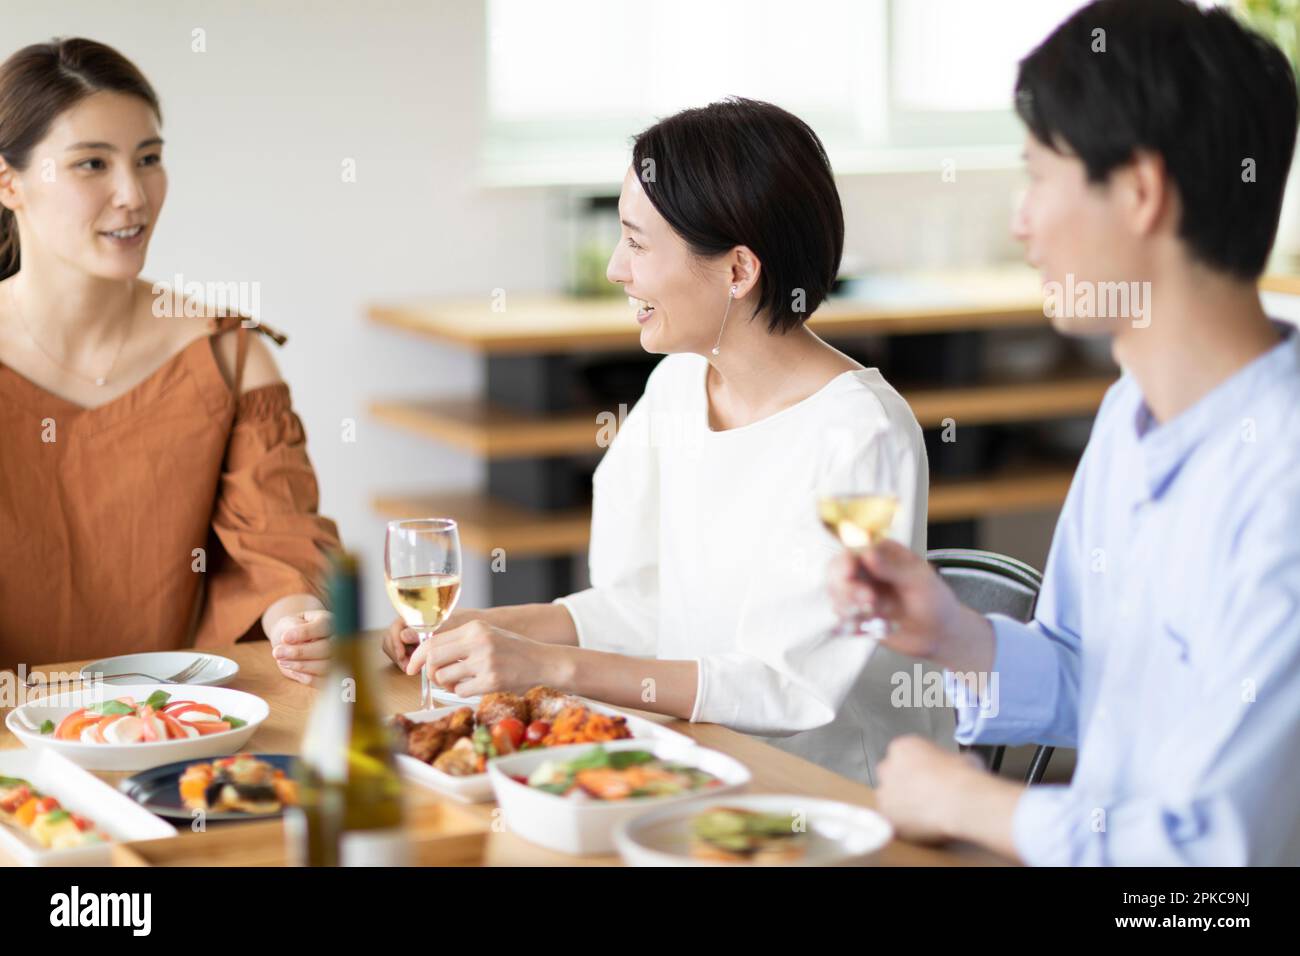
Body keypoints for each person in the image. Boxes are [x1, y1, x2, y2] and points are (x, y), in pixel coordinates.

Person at [830, 0, 1300, 864]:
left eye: (1039, 174)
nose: (1020, 221)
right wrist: (952, 634)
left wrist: (973, 803)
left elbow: (1217, 860)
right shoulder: (1133, 410)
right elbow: (1105, 679)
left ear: (1141, 192)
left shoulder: (1282, 482)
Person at [386, 98, 953, 782]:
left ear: (738, 271)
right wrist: (488, 631)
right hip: (697, 764)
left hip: (835, 797)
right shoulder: (678, 387)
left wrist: (549, 665)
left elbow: (788, 685)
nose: (615, 271)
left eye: (638, 242)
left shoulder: (860, 433)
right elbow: (639, 604)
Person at [0, 38, 340, 681]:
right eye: (92, 164)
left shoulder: (228, 357)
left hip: (185, 723)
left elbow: (280, 547)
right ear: (9, 182)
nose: (134, 194)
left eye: (148, 158)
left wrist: (298, 623)